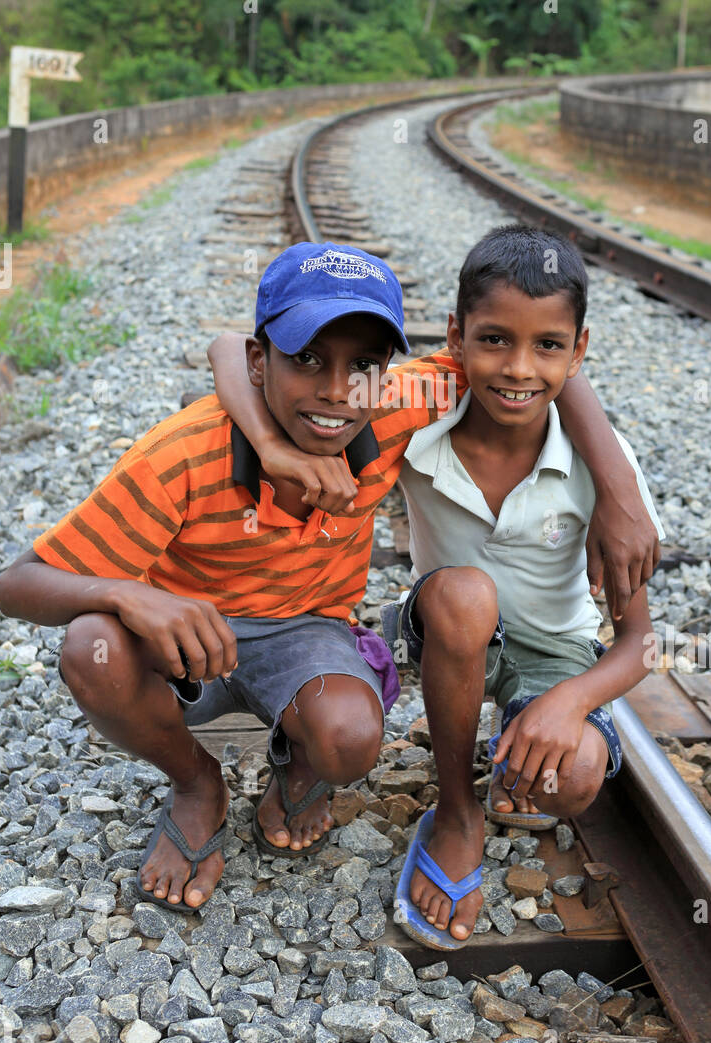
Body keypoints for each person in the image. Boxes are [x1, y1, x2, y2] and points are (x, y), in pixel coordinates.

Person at [207, 227, 663, 946]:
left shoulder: (606, 473)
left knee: (570, 781)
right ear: (454, 337)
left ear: (579, 353)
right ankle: (456, 813)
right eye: (493, 341)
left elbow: (641, 642)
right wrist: (267, 447)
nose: (518, 369)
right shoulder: (418, 421)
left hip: (555, 653)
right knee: (464, 597)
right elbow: (234, 346)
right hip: (442, 626)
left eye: (548, 347)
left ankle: (521, 734)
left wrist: (568, 702)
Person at [0, 243, 430, 912]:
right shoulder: (183, 453)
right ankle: (198, 783)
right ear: (260, 365)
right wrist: (128, 592)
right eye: (306, 358)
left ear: (386, 373)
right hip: (188, 642)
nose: (339, 390)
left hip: (304, 632)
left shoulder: (395, 408)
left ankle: (299, 761)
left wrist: (617, 489)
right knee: (92, 644)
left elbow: (517, 365)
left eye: (365, 365)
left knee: (350, 736)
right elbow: (15, 585)